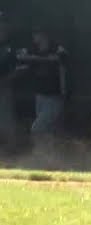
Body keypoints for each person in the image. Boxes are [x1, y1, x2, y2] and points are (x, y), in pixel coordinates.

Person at [17, 27, 68, 165]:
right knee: (48, 132)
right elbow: (19, 56)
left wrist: (64, 91)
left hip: (54, 97)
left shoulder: (56, 48)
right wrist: (35, 58)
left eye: (36, 34)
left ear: (44, 35)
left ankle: (40, 156)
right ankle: (47, 160)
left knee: (37, 128)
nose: (34, 37)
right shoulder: (33, 49)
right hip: (40, 96)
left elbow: (62, 61)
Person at [0, 12, 17, 155]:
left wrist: (6, 80)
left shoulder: (10, 47)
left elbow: (15, 69)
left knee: (6, 120)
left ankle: (9, 152)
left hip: (4, 87)